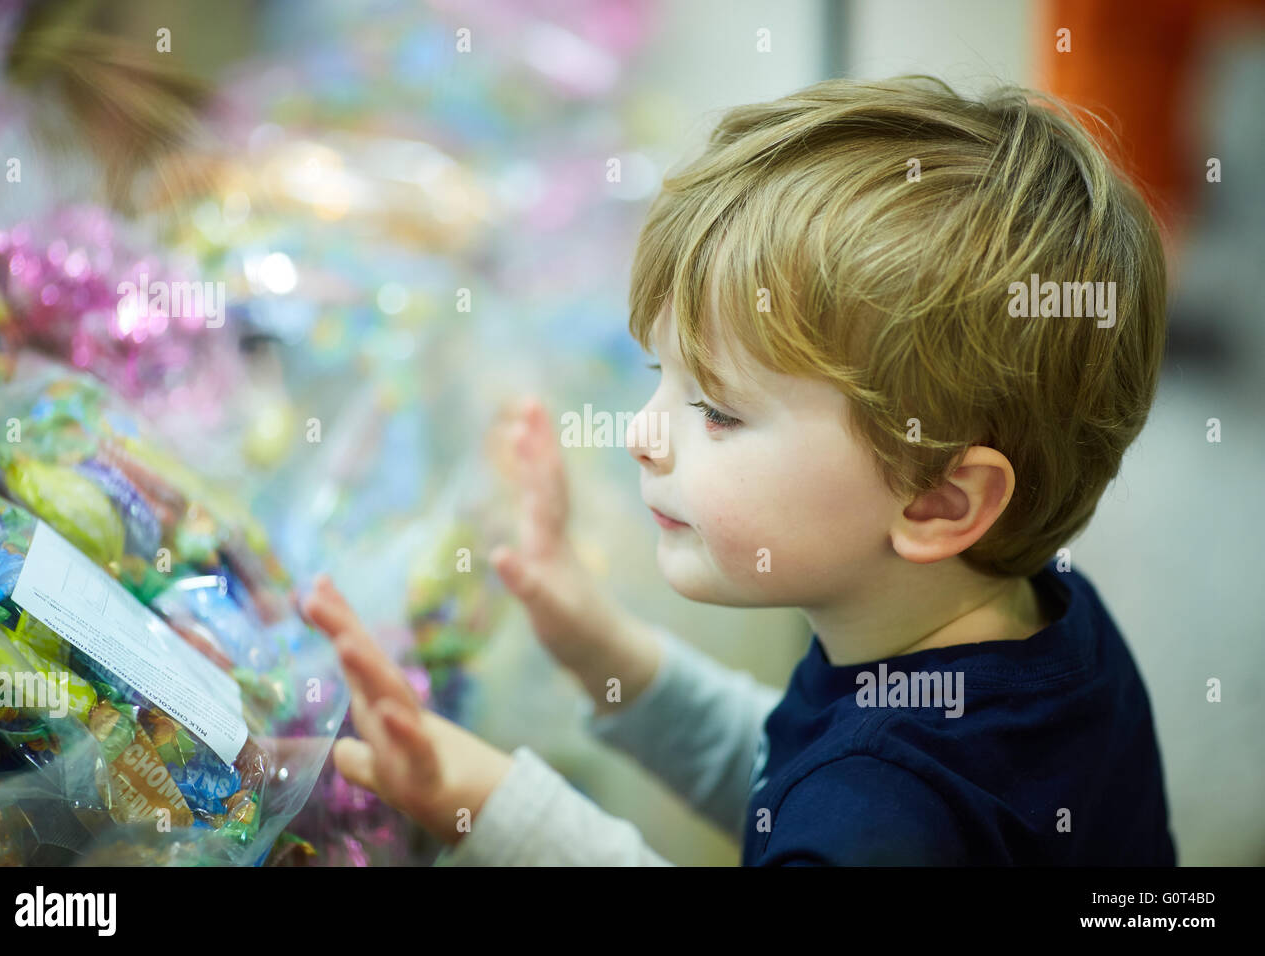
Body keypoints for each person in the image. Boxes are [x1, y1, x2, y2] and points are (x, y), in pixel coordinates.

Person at [300, 75, 1176, 865]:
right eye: (661, 375)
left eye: (717, 410)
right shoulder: (1045, 625)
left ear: (939, 500)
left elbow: (835, 802)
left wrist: (496, 810)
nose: (642, 434)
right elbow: (790, 772)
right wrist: (605, 650)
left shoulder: (878, 823)